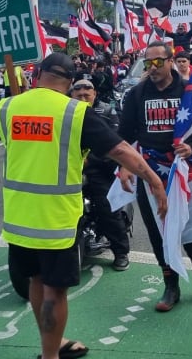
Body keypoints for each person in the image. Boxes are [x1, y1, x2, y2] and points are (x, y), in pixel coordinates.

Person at [0, 52, 166, 359]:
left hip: (18, 218)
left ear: (38, 74)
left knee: (35, 280)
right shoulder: (75, 113)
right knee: (55, 290)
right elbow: (122, 150)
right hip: (56, 221)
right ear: (70, 83)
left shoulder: (5, 107)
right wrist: (153, 180)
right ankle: (50, 355)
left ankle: (52, 345)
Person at [118, 42, 192, 312]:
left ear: (171, 61)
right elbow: (125, 135)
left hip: (188, 170)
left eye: (158, 62)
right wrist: (123, 164)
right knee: (158, 230)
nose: (152, 68)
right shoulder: (137, 94)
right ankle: (171, 284)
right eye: (147, 63)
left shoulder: (189, 91)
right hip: (150, 172)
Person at [73, 78, 130, 270]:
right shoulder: (67, 112)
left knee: (107, 207)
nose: (82, 98)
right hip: (71, 169)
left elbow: (115, 142)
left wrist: (92, 160)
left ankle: (121, 252)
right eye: (78, 95)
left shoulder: (106, 111)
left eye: (86, 95)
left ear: (94, 94)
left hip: (99, 167)